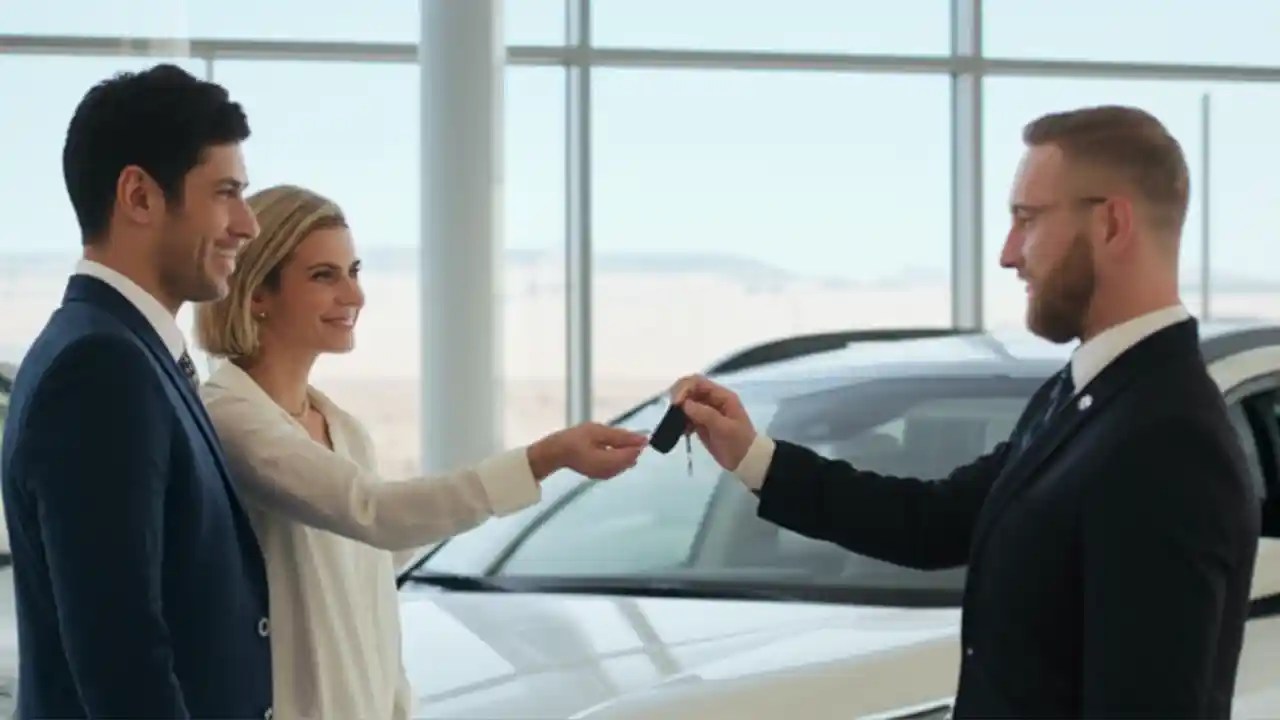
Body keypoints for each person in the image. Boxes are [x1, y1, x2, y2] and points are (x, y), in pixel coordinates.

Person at [669, 105, 1260, 719]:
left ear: (1111, 223)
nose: (1008, 254)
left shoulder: (1167, 445)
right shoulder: (1090, 398)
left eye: (1027, 220)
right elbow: (934, 522)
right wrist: (752, 456)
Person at [193, 183, 648, 720]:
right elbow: (378, 513)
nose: (354, 296)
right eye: (324, 276)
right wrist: (545, 458)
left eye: (354, 271)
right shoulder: (230, 418)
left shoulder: (344, 430)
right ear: (257, 294)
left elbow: (377, 598)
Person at [0, 65, 273, 718]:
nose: (248, 225)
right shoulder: (99, 370)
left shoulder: (127, 353)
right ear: (140, 197)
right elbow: (122, 655)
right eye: (226, 193)